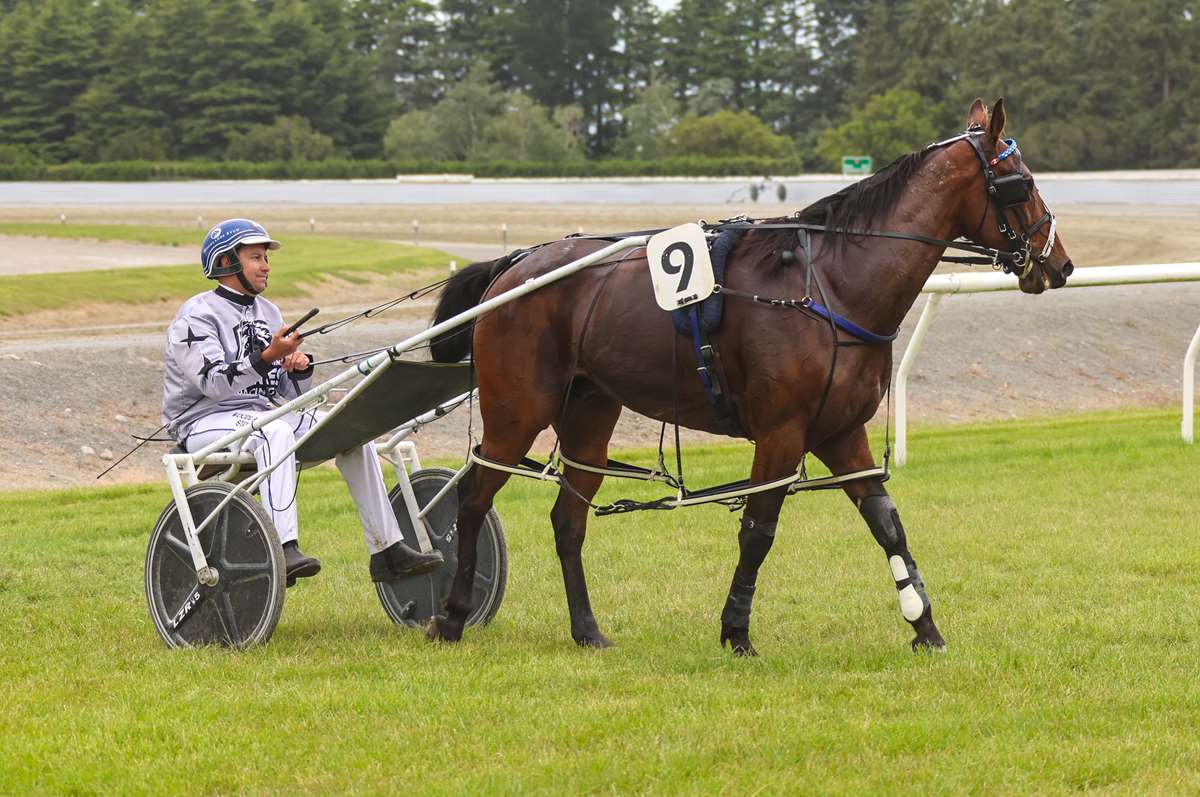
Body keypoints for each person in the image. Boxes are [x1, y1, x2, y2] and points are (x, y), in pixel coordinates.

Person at [161, 218, 443, 586]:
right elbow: (214, 383)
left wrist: (296, 369)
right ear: (227, 263)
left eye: (266, 258)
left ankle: (387, 551)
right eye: (256, 258)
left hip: (260, 418)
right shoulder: (196, 315)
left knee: (350, 425)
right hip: (203, 422)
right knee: (273, 430)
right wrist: (267, 356)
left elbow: (284, 395)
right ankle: (283, 547)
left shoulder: (269, 313)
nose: (266, 266)